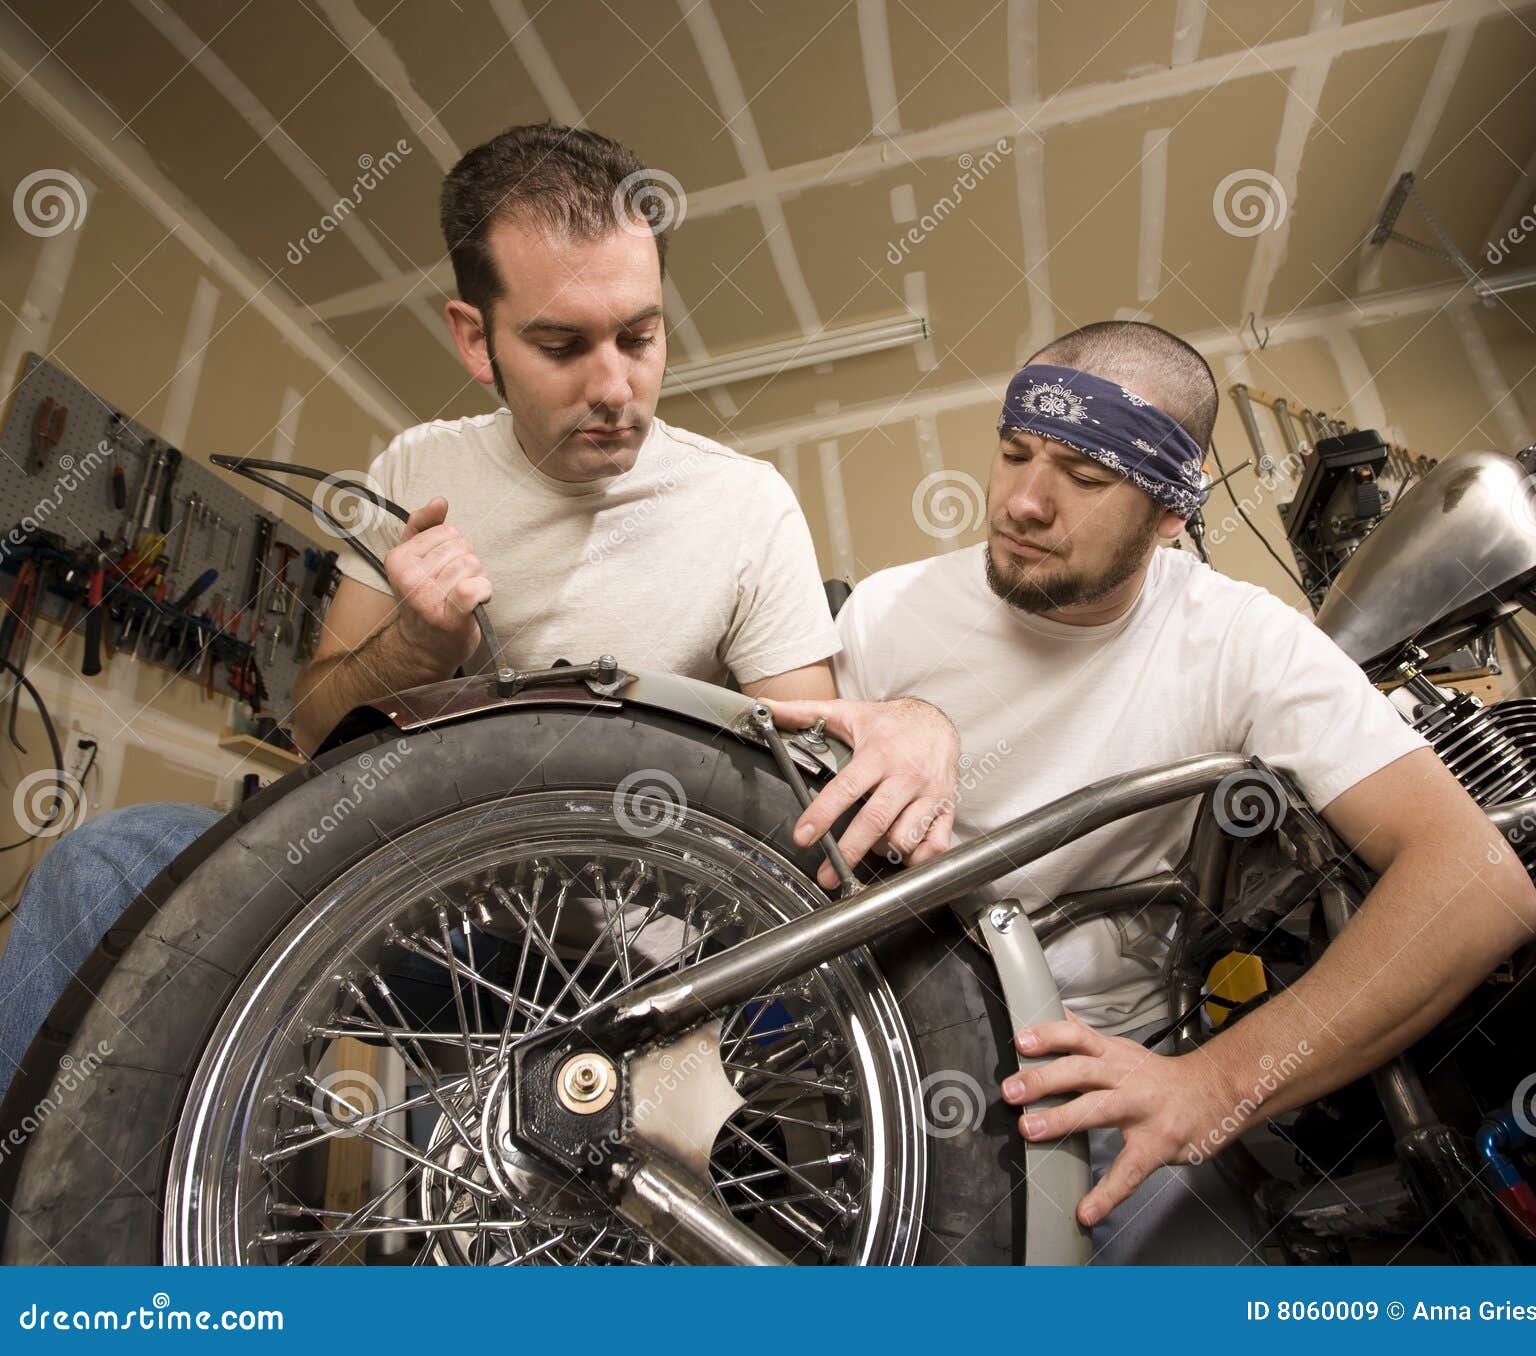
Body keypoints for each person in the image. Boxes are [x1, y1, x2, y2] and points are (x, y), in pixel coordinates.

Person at [0, 123, 957, 1098]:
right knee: (100, 868)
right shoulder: (418, 468)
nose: (615, 387)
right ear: (474, 338)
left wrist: (910, 731)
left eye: (640, 336)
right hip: (429, 912)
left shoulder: (748, 508)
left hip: (635, 965)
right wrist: (417, 646)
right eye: (562, 345)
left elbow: (798, 793)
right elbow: (313, 733)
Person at [767, 320, 1536, 1264]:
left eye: (1085, 477)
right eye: (1014, 453)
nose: (1023, 502)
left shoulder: (1242, 640)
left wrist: (1214, 1086)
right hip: (899, 1047)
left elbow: (1476, 884)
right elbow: (785, 856)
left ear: (1173, 512)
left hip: (1113, 1075)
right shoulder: (889, 613)